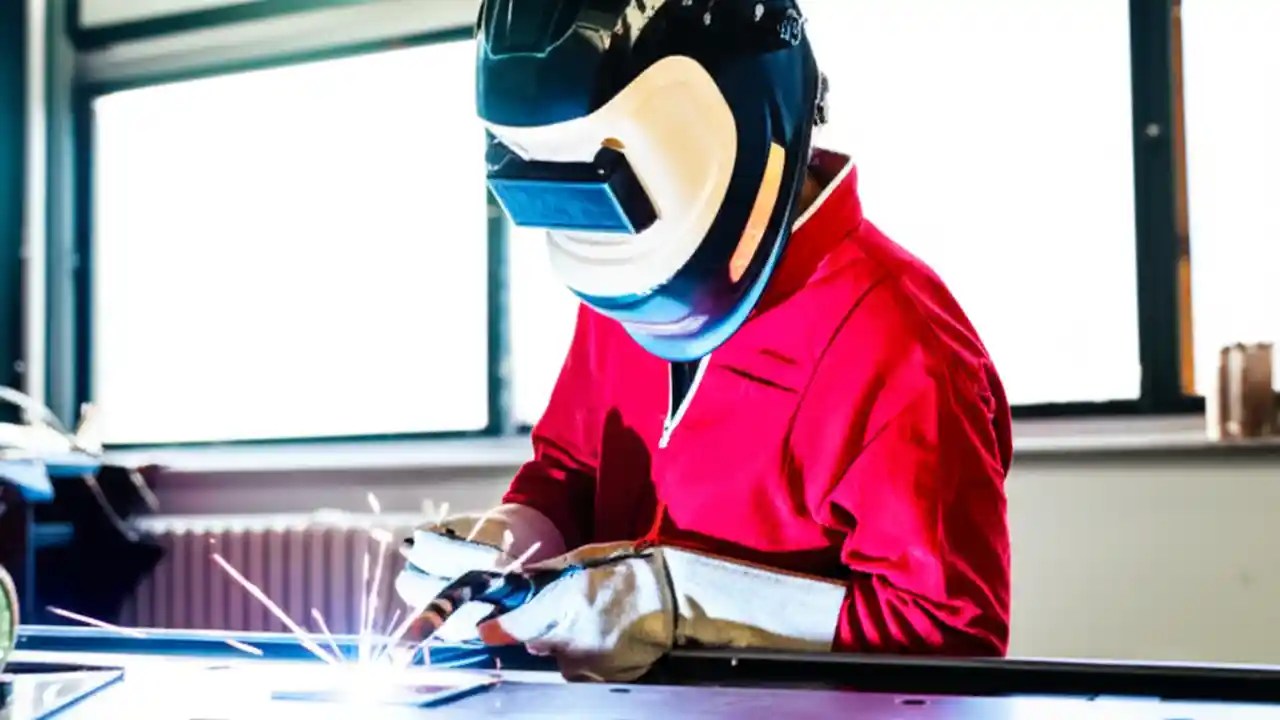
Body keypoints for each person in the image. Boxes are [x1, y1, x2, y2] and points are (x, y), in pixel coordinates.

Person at [396, 0, 1013, 682]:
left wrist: (688, 607)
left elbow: (950, 634)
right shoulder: (632, 267)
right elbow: (571, 472)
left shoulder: (903, 345)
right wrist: (508, 544)